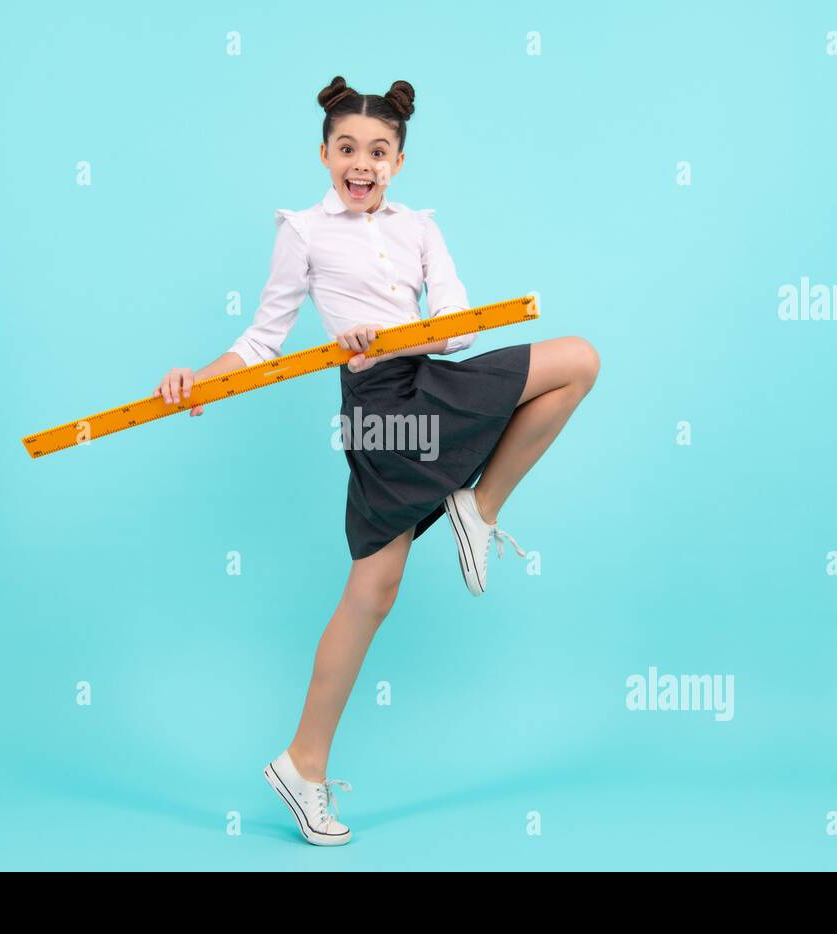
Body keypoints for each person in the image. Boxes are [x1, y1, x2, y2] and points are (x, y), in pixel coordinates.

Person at [153, 76, 600, 845]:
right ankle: (304, 765)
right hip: (379, 411)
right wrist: (201, 377)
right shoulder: (302, 230)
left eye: (379, 152)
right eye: (348, 150)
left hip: (429, 377)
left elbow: (458, 328)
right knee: (374, 590)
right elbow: (262, 341)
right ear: (325, 154)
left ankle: (478, 506)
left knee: (577, 363)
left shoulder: (421, 227)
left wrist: (395, 332)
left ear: (398, 160)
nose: (362, 164)